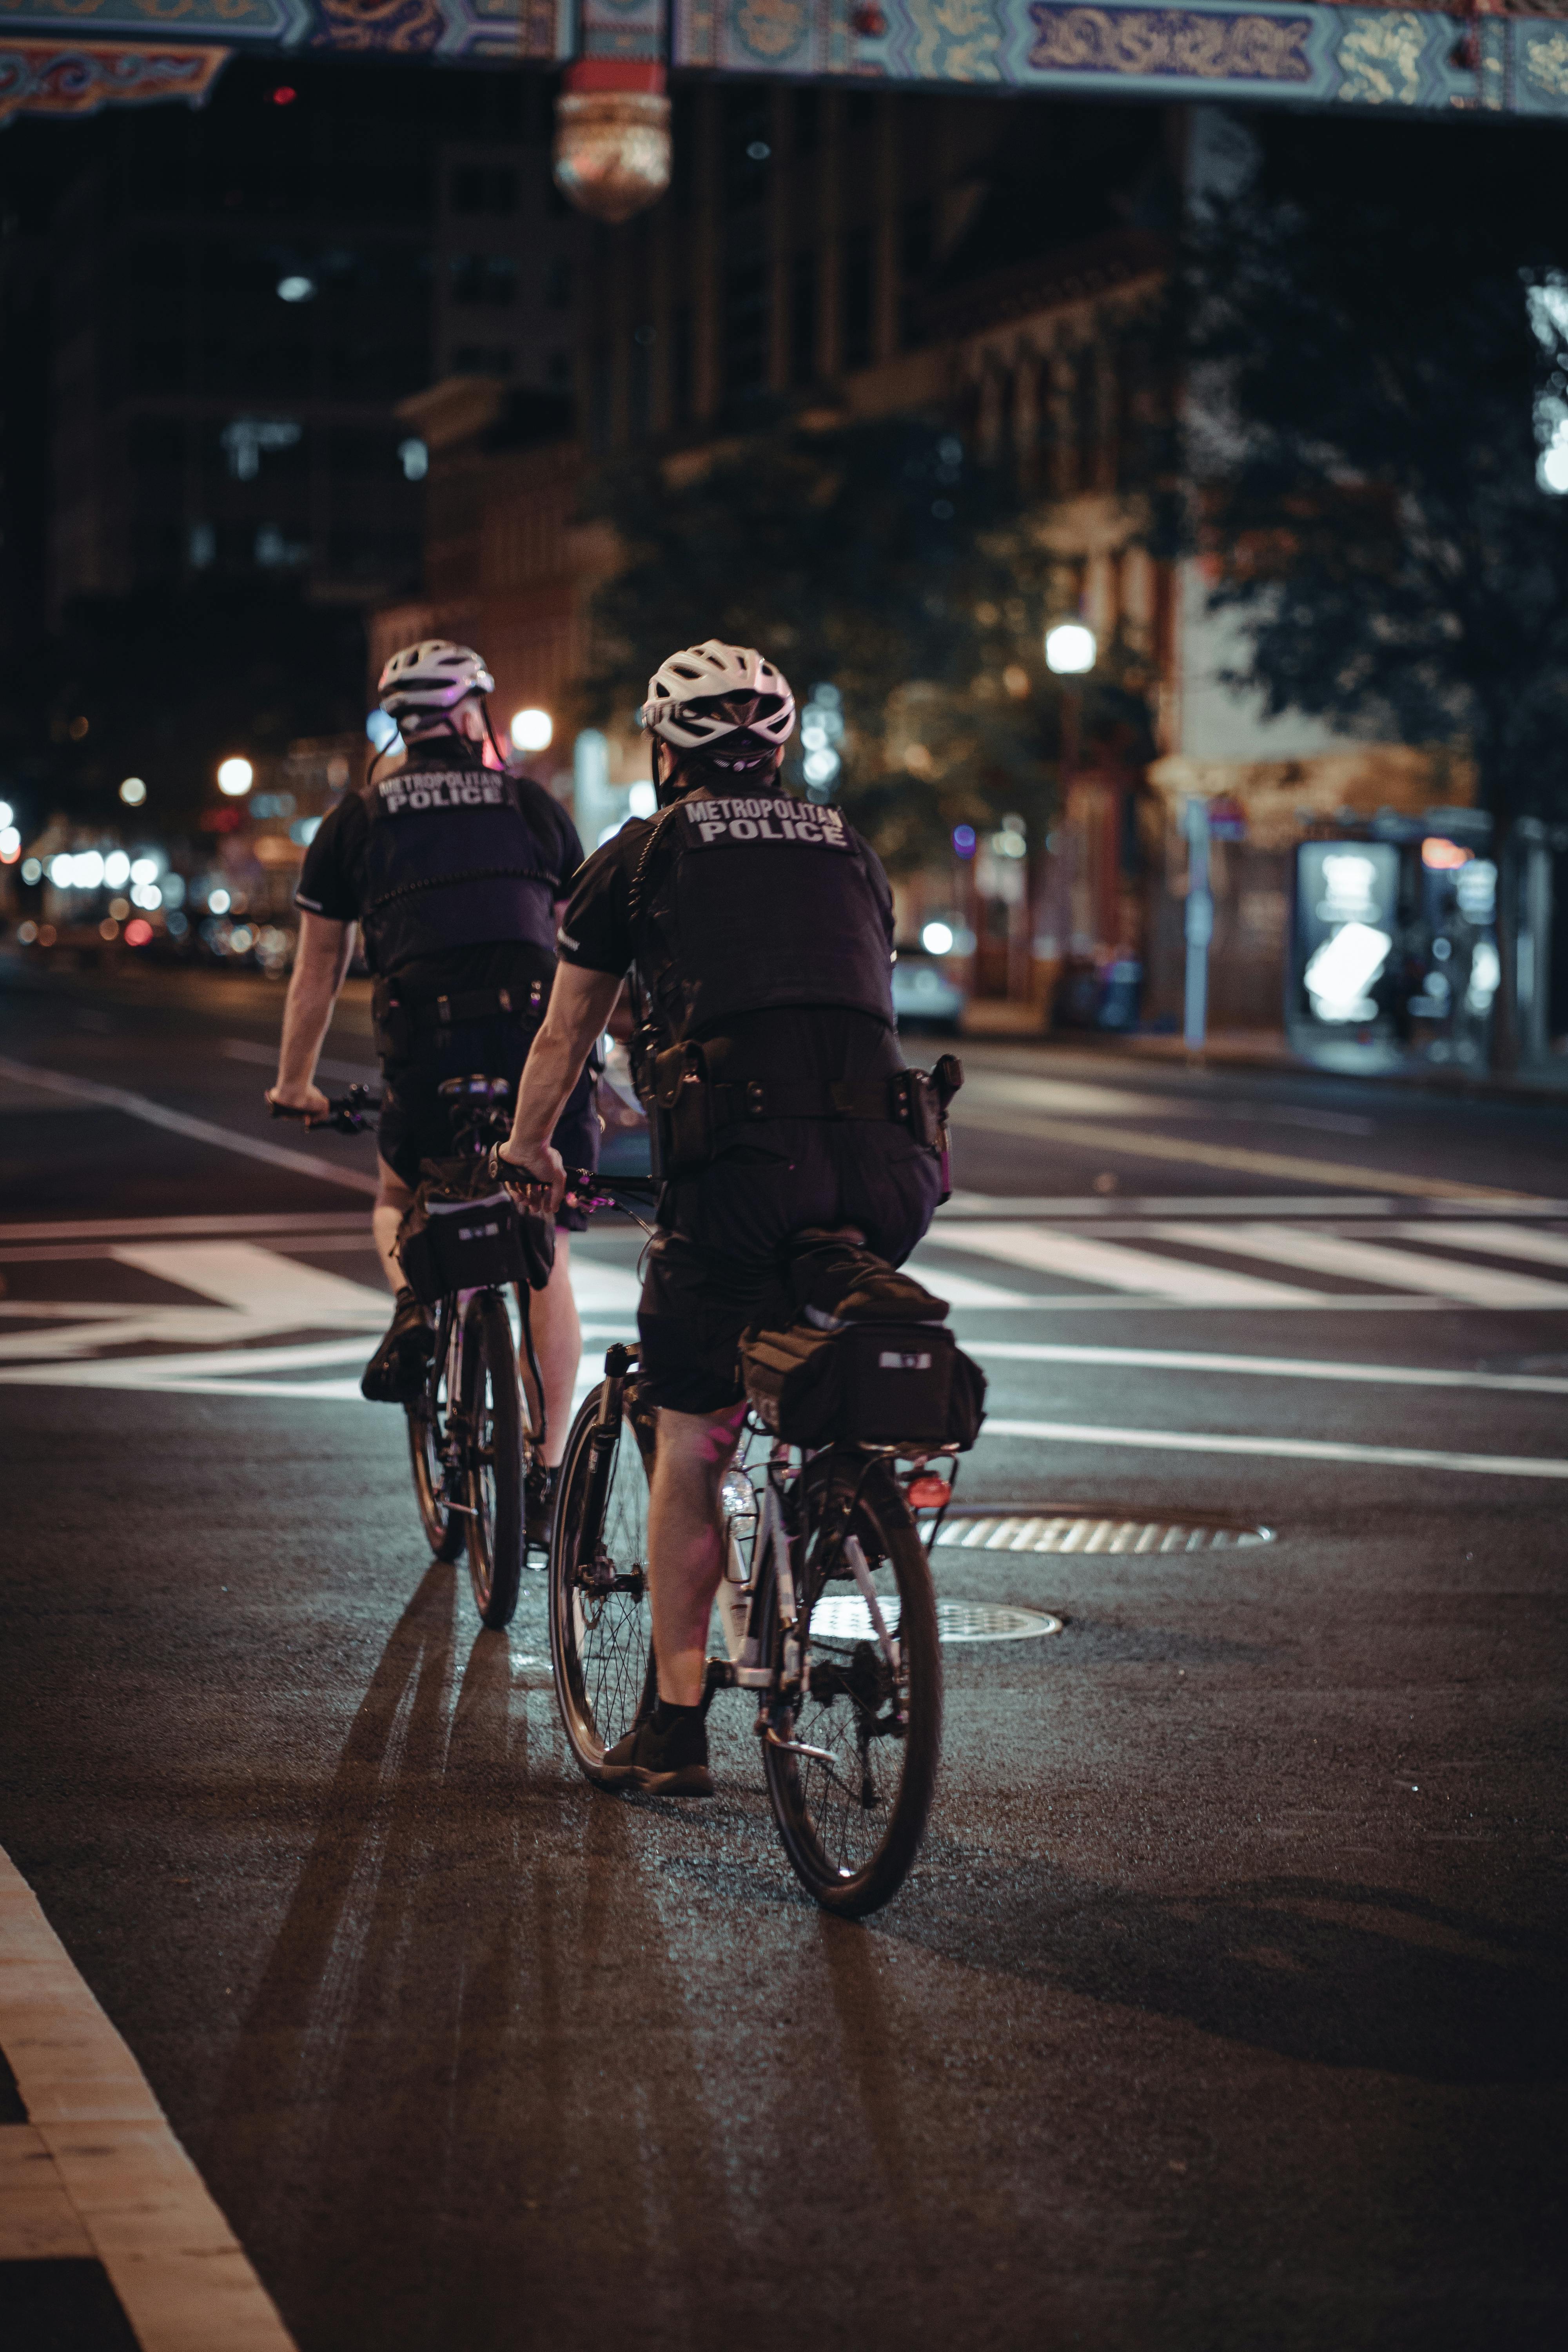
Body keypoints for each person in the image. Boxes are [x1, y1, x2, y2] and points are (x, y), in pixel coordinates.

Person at [490, 639, 946, 1794]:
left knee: (693, 1431)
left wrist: (532, 1146)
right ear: (779, 744)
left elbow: (566, 1034)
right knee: (814, 1320)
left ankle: (677, 1723)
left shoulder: (638, 858)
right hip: (893, 1169)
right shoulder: (853, 848)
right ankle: (832, 1505)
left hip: (744, 1172)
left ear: (662, 747)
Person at [267, 639, 596, 1523]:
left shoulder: (358, 822)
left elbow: (317, 972)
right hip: (534, 1046)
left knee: (395, 1193)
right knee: (547, 1243)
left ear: (401, 726)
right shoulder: (532, 806)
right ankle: (550, 1462)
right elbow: (585, 953)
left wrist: (296, 1082)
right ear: (468, 716)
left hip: (429, 1051)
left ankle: (415, 1303)